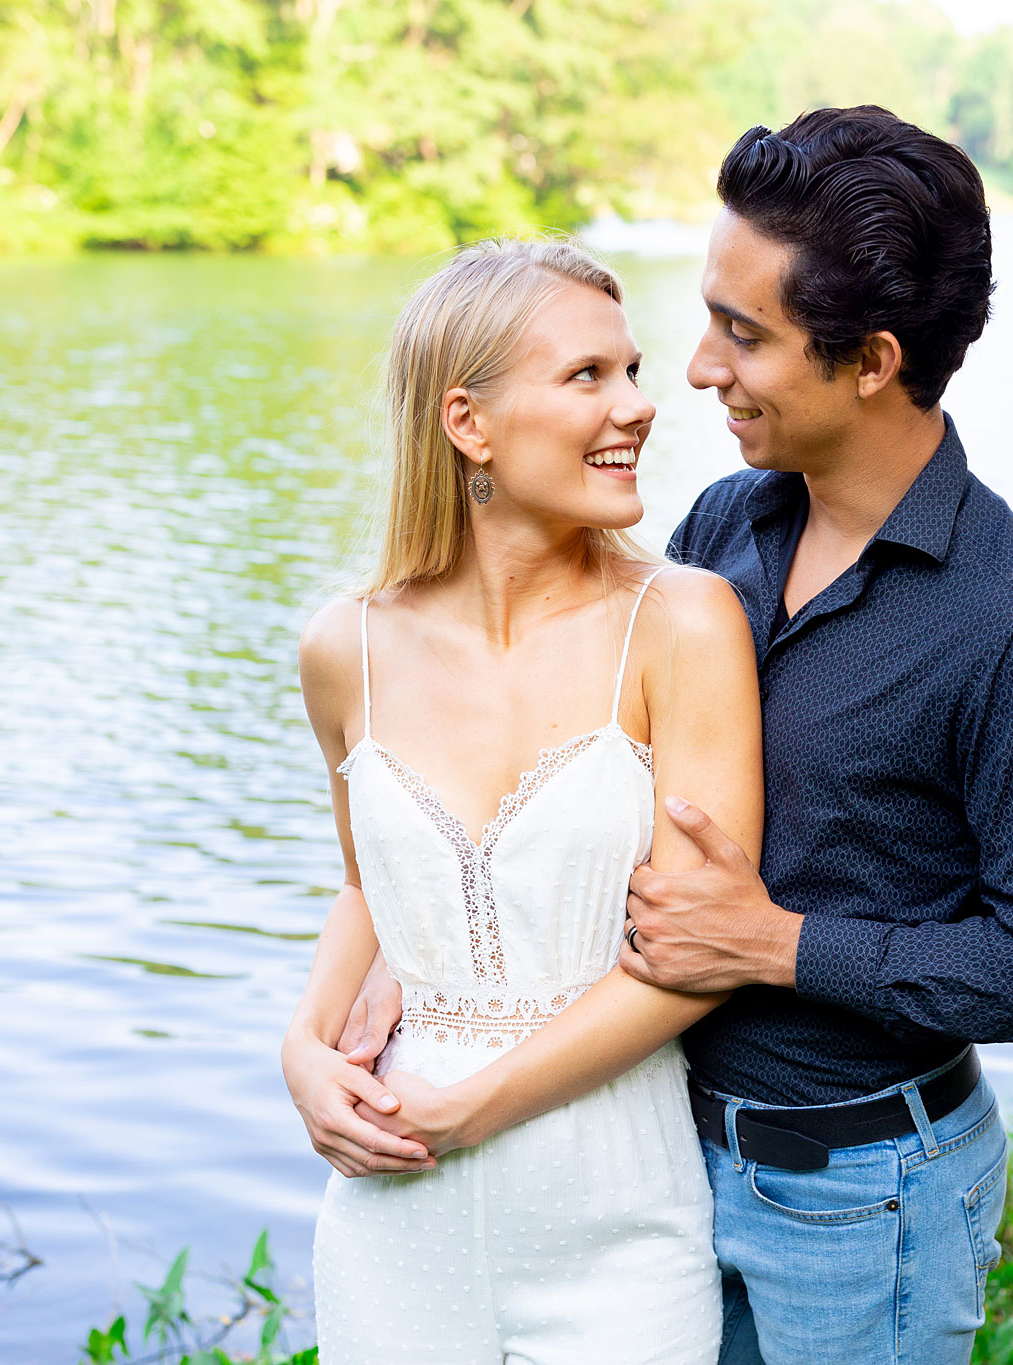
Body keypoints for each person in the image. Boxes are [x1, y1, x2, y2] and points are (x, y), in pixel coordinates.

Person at [339, 108, 1013, 1365]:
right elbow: (592, 769)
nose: (697, 369)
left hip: (859, 1189)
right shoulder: (726, 525)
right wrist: (430, 927)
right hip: (649, 1154)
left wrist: (787, 950)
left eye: (741, 333)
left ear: (870, 360)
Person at [281, 237, 763, 1364]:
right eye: (586, 377)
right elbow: (369, 887)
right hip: (395, 1208)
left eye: (632, 372)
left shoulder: (683, 622)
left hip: (616, 1219)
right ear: (468, 424)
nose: (637, 408)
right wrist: (302, 1045)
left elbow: (694, 955)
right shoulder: (342, 646)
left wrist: (475, 1108)